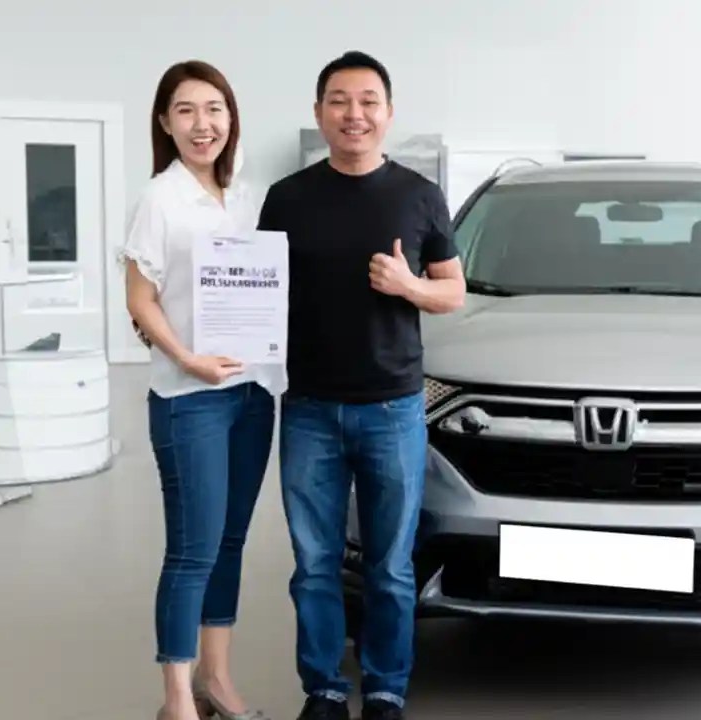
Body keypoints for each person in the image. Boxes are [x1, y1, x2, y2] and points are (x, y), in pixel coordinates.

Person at [258, 50, 466, 720]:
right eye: (340, 101)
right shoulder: (286, 198)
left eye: (368, 100)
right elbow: (258, 296)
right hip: (309, 410)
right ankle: (321, 689)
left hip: (393, 410)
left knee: (390, 567)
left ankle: (384, 688)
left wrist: (407, 286)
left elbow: (453, 293)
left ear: (389, 112)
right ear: (319, 113)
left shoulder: (418, 195)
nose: (355, 114)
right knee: (314, 564)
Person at [119, 60, 284, 720]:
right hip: (191, 398)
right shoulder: (160, 199)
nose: (202, 123)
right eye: (185, 110)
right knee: (191, 548)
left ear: (231, 118)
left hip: (253, 393)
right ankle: (177, 698)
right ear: (165, 122)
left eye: (213, 109)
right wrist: (188, 359)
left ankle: (216, 677)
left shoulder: (245, 196)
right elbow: (139, 298)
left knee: (231, 542)